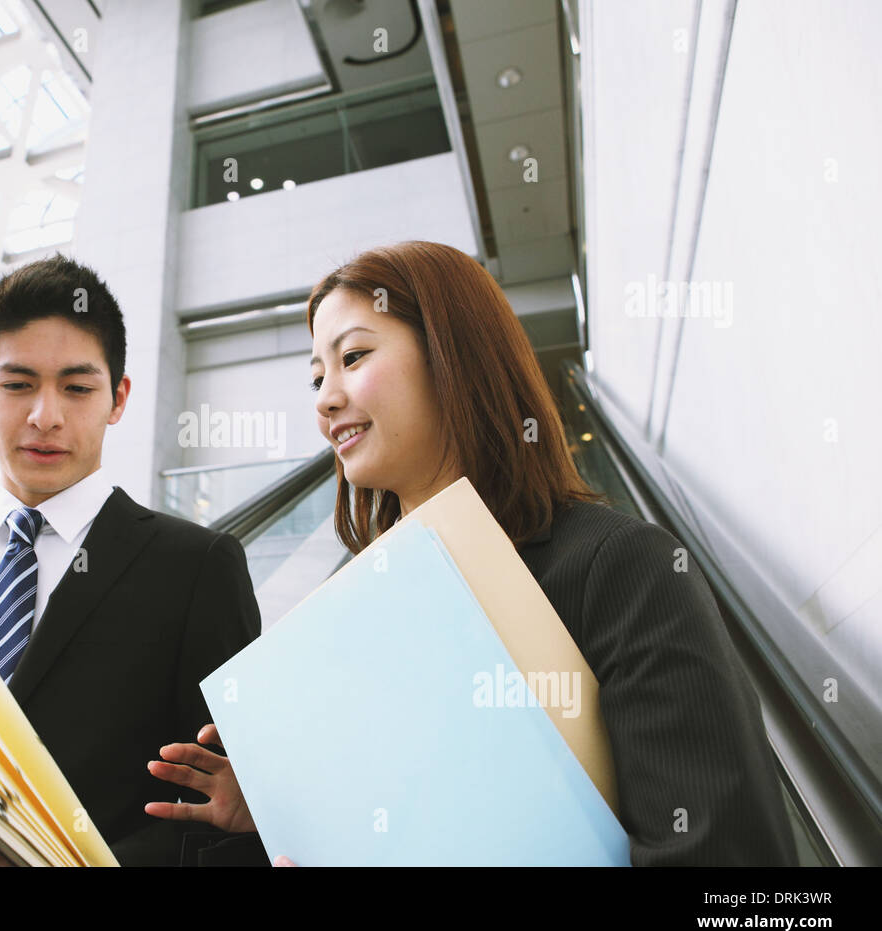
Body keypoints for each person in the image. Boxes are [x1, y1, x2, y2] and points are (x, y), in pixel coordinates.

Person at [144, 240, 798, 866]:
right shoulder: (346, 635)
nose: (326, 398)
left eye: (353, 358)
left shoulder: (621, 571)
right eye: (317, 375)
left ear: (454, 355)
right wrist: (292, 816)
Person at [0, 253, 261, 866]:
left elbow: (232, 824)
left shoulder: (196, 568)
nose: (45, 416)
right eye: (17, 384)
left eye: (77, 388)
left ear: (117, 398)